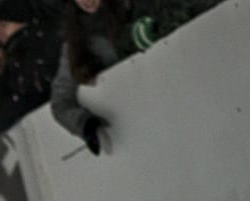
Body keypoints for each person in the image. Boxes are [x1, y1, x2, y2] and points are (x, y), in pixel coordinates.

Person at [50, 0, 220, 154]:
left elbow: (192, 9)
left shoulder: (139, 5)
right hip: (151, 123)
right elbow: (60, 101)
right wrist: (85, 125)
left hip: (198, 86)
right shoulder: (79, 40)